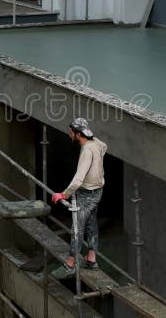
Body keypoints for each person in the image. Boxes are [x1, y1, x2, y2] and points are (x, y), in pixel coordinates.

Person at [51, 118, 107, 279]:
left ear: (78, 134)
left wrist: (63, 194)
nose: (69, 135)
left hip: (86, 193)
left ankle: (69, 263)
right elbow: (105, 146)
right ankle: (91, 259)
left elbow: (78, 178)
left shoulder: (87, 150)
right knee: (91, 223)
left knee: (77, 228)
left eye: (71, 133)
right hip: (97, 191)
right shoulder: (96, 144)